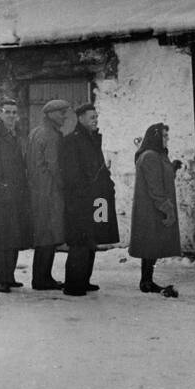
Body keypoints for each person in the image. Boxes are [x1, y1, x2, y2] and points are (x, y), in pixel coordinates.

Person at [0, 99, 31, 293]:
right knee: (4, 237)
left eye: (13, 112)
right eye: (7, 112)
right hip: (1, 195)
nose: (11, 115)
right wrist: (0, 187)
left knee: (14, 235)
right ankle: (1, 278)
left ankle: (9, 275)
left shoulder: (16, 136)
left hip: (17, 194)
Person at [61, 103, 110, 296]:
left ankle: (84, 280)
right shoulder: (73, 140)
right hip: (79, 199)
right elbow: (71, 173)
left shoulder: (92, 139)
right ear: (80, 118)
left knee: (91, 239)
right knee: (79, 242)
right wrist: (84, 191)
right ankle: (73, 285)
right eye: (92, 117)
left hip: (95, 197)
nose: (95, 120)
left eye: (96, 117)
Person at [127, 121, 181, 294]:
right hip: (152, 209)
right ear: (156, 137)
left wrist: (172, 168)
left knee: (152, 246)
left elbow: (161, 177)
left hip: (154, 208)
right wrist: (168, 209)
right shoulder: (150, 156)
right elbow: (155, 188)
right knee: (150, 246)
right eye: (164, 136)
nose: (167, 139)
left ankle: (147, 281)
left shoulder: (157, 155)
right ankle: (146, 281)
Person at [27, 99, 72, 290]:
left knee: (44, 234)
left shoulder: (36, 131)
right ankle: (41, 279)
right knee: (49, 234)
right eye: (62, 113)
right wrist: (65, 186)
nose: (64, 117)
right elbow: (54, 165)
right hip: (50, 190)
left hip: (38, 190)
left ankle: (42, 277)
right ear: (52, 114)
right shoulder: (51, 135)